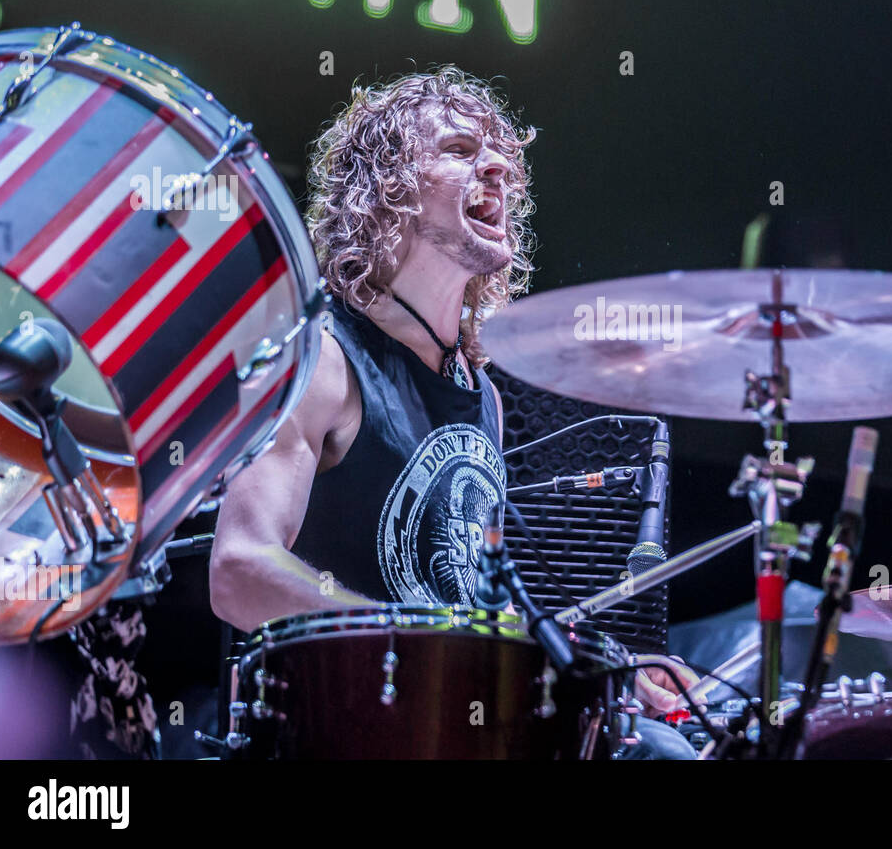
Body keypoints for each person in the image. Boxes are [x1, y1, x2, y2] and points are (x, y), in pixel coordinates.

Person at [208, 67, 700, 756]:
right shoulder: (322, 357)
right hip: (349, 732)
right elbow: (238, 570)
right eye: (461, 150)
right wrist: (414, 644)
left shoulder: (482, 396)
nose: (497, 166)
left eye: (501, 155)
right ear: (388, 189)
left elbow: (473, 611)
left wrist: (602, 669)